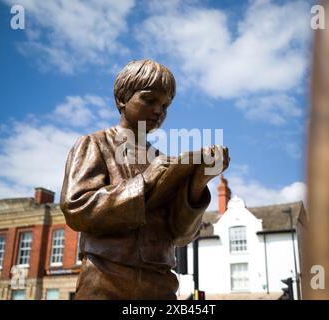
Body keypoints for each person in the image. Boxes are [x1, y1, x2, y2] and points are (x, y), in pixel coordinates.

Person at [60, 59, 229, 300]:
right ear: (122, 99)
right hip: (106, 279)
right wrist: (146, 181)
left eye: (165, 105)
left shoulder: (164, 160)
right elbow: (76, 207)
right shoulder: (95, 144)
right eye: (149, 100)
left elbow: (181, 235)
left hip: (160, 284)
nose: (159, 111)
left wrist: (198, 184)